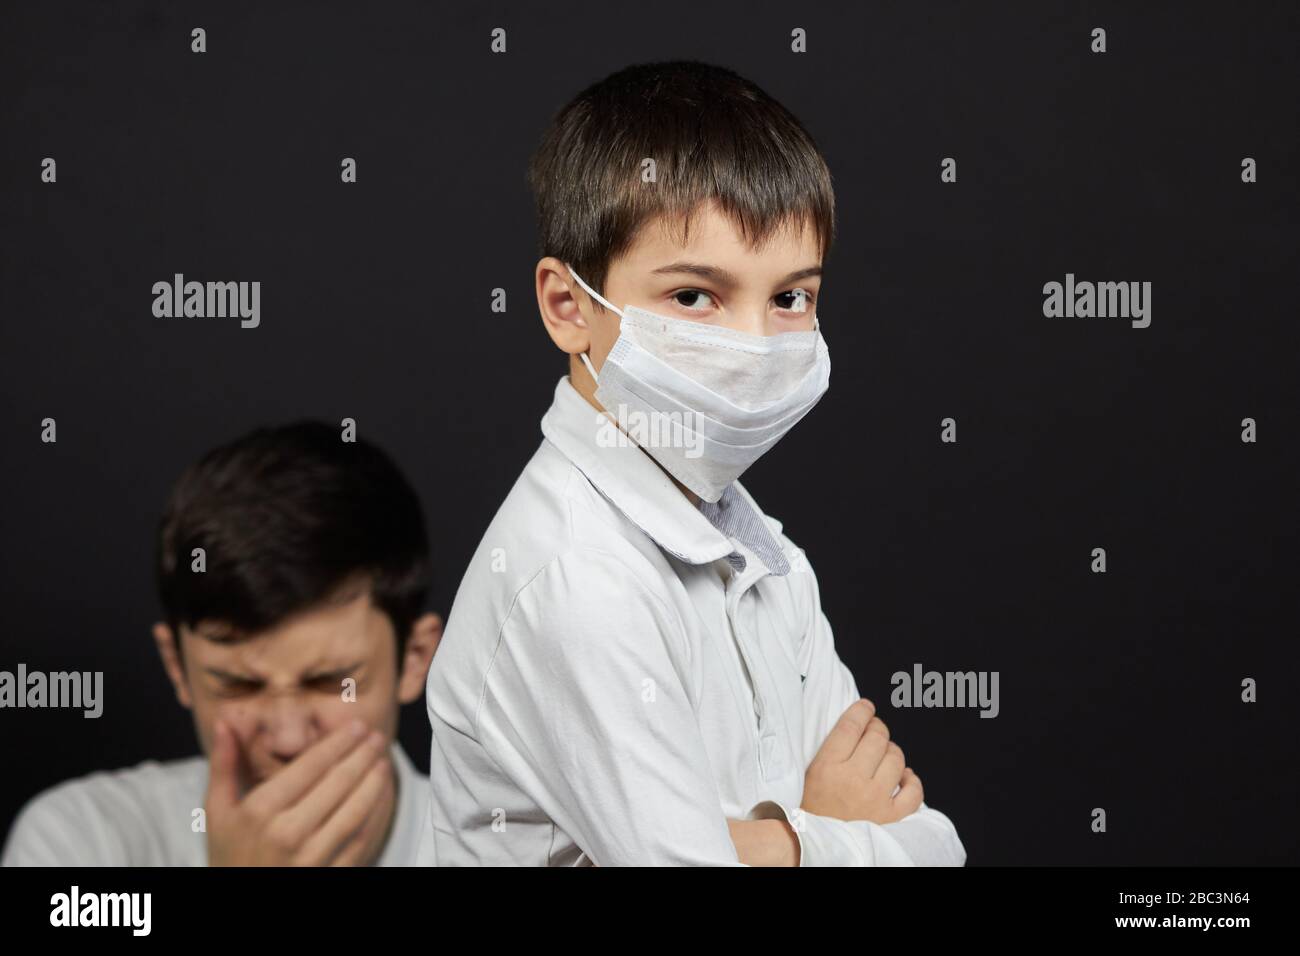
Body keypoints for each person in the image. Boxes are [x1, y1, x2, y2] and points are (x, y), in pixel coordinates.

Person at [421, 60, 967, 865]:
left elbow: (935, 845)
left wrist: (773, 844)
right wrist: (813, 828)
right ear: (569, 308)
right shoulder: (576, 577)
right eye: (693, 297)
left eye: (790, 299)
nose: (750, 347)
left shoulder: (768, 557)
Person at [2, 421, 442, 866]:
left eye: (331, 681)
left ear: (414, 659)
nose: (287, 739)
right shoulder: (82, 841)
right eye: (237, 685)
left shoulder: (496, 854)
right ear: (177, 666)